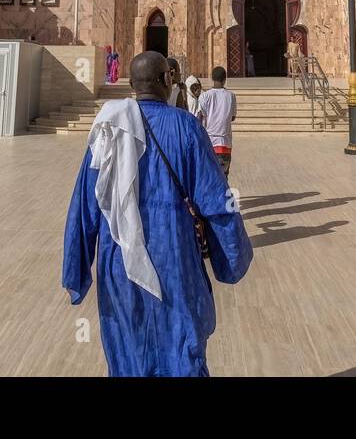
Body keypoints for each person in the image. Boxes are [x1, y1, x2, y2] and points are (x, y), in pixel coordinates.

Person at [62, 51, 253, 377]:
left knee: (127, 353)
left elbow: (84, 206)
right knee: (182, 352)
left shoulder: (109, 130)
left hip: (119, 264)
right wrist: (231, 260)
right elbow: (217, 202)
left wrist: (76, 272)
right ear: (167, 80)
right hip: (174, 262)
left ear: (132, 85)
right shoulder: (186, 127)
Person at [197, 65, 237, 177]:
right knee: (224, 177)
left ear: (212, 78)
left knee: (209, 177)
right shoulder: (231, 96)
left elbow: (199, 117)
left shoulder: (205, 96)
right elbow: (232, 117)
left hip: (209, 143)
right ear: (225, 79)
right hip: (225, 144)